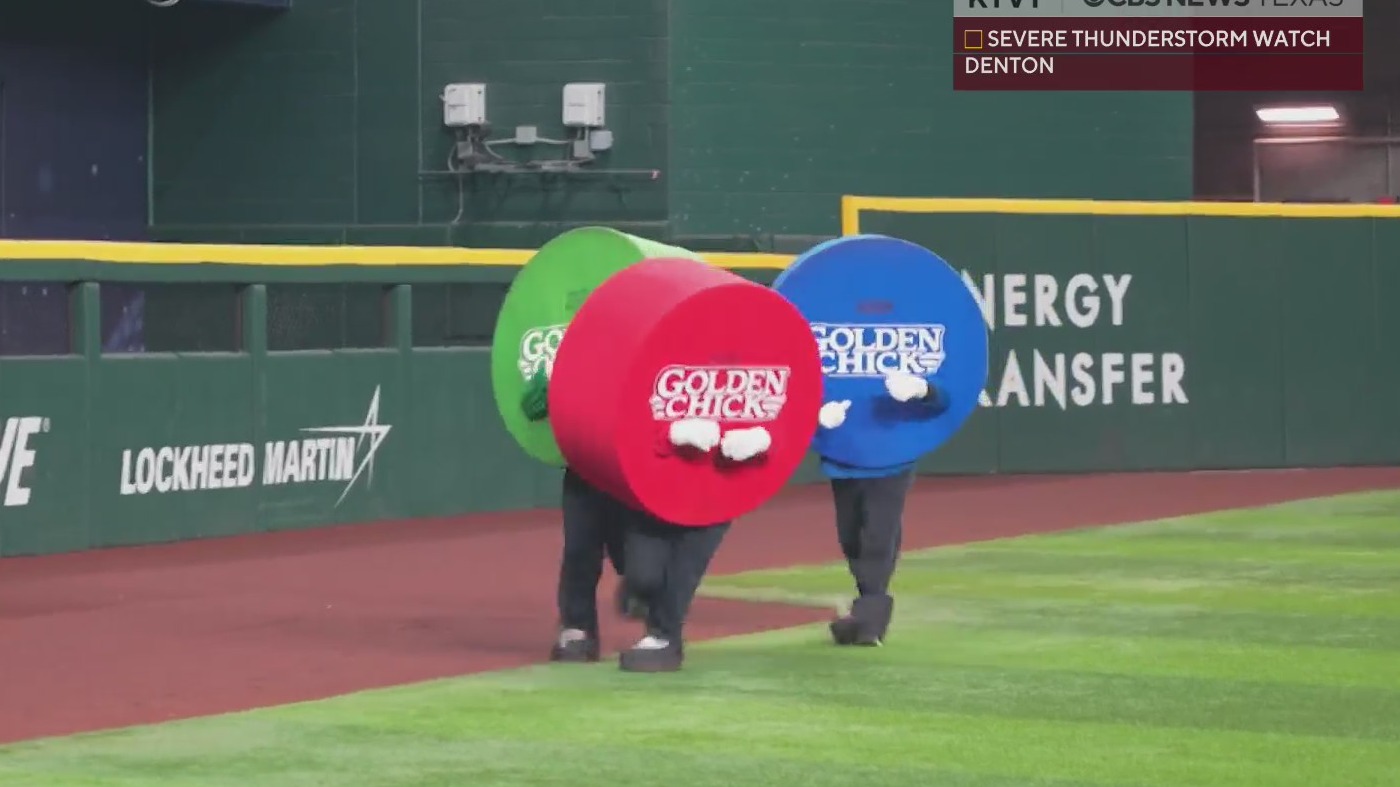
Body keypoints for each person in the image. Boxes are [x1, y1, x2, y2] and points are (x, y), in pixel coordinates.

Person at [612, 420, 769, 672]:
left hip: (717, 489)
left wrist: (765, 441)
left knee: (684, 571)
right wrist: (668, 434)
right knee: (643, 575)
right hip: (656, 487)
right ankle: (641, 596)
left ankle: (665, 637)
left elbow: (785, 413)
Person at [815, 371, 948, 647]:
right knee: (851, 536)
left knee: (878, 533)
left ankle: (871, 622)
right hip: (845, 455)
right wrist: (814, 417)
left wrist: (925, 390)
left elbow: (950, 397)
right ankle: (865, 611)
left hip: (893, 457)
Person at [521, 368, 646, 662]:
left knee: (635, 552)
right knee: (580, 549)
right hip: (585, 460)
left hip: (632, 463)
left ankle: (660, 626)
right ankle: (577, 628)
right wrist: (548, 388)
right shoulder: (573, 350)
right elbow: (532, 407)